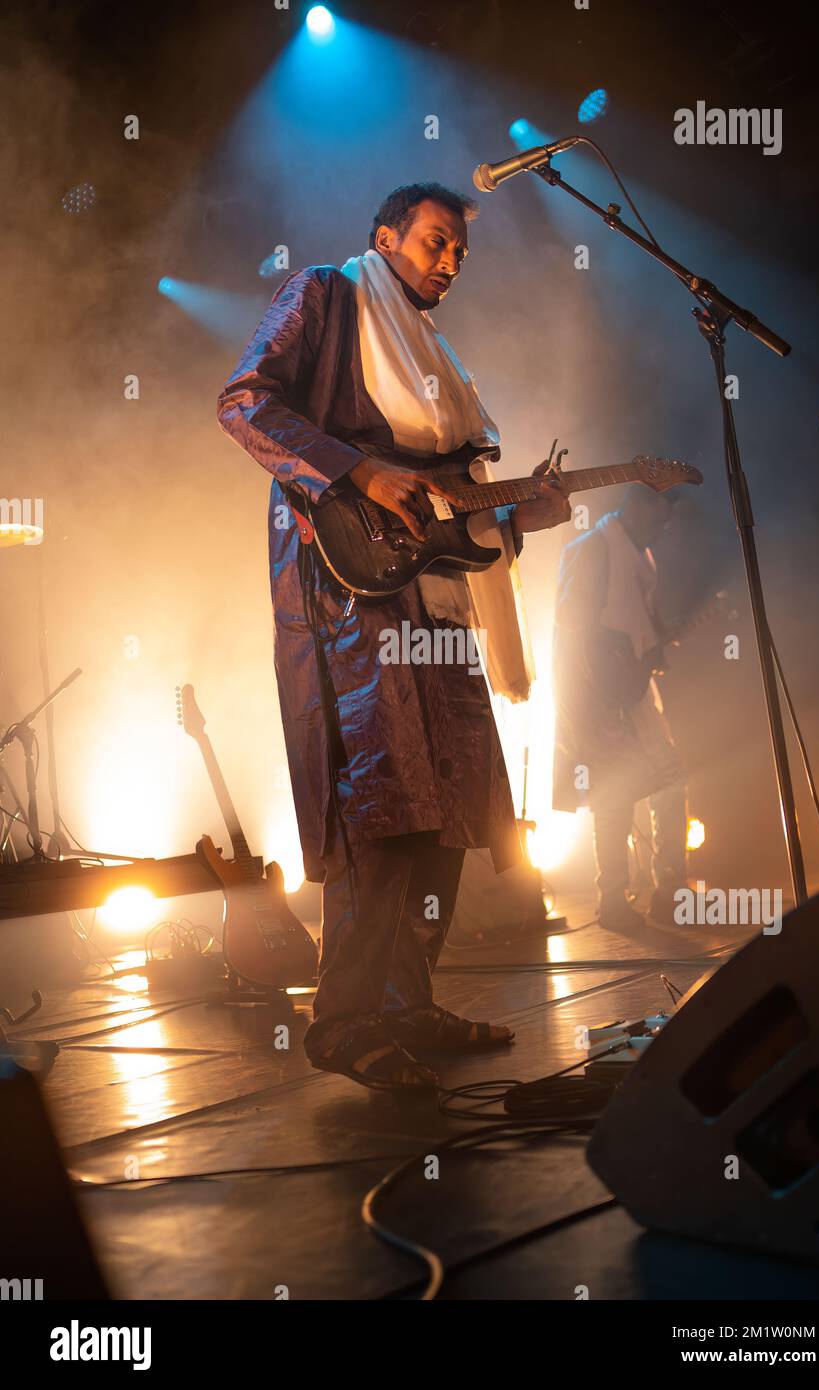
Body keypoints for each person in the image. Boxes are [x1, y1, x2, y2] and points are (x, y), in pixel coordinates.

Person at [218, 182, 570, 1093]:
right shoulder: (326, 295)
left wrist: (528, 513)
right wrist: (357, 469)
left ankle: (410, 1006)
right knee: (381, 800)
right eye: (435, 241)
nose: (449, 261)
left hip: (436, 599)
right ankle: (341, 1021)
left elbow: (452, 510)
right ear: (385, 236)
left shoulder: (438, 360)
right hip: (348, 596)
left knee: (446, 802)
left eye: (460, 251)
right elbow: (245, 402)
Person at [552, 487, 687, 930]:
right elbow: (573, 628)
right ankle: (612, 898)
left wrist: (660, 640)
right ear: (635, 503)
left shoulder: (638, 555)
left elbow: (634, 626)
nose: (663, 528)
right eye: (658, 516)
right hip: (599, 697)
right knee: (614, 793)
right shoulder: (591, 550)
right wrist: (601, 697)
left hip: (632, 691)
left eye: (668, 522)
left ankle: (669, 892)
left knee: (666, 781)